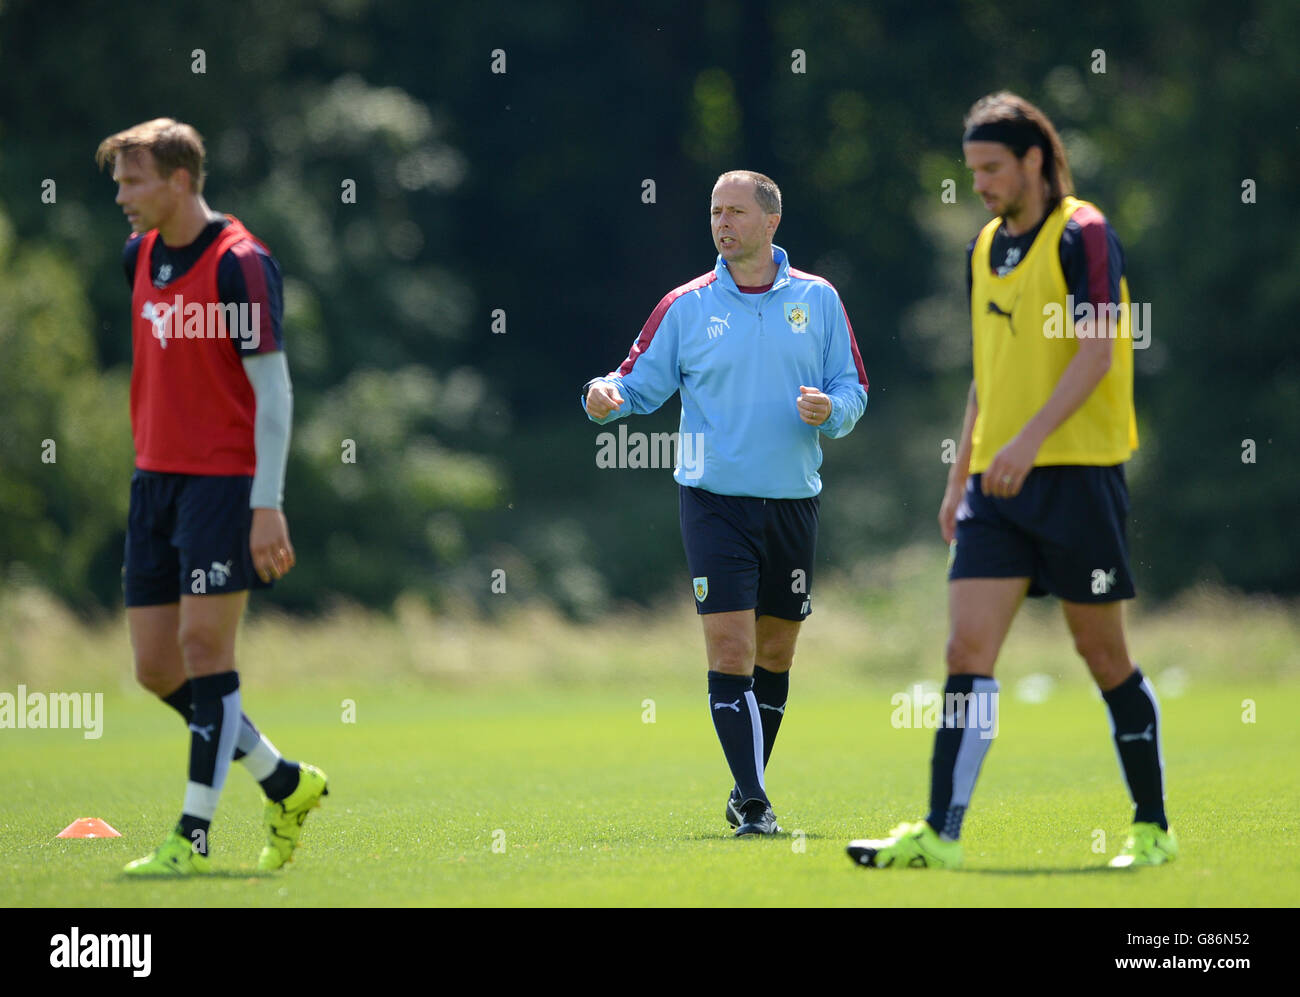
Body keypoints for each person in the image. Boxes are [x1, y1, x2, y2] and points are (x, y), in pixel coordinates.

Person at [847, 92, 1174, 869]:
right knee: (966, 649)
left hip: (1079, 478)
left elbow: (1097, 350)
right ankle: (939, 832)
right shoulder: (982, 248)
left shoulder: (1083, 233)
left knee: (1102, 655)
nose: (981, 184)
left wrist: (1029, 441)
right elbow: (985, 375)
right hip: (997, 486)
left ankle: (1152, 828)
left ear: (1035, 158)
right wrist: (959, 474)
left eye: (992, 168)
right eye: (973, 170)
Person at [583, 170, 869, 836]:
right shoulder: (685, 305)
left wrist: (832, 411)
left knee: (776, 655)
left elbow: (852, 391)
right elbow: (633, 382)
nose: (722, 223)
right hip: (713, 501)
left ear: (771, 221)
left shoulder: (820, 299)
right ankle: (756, 801)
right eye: (715, 211)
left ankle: (748, 789)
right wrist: (603, 397)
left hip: (795, 501)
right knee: (731, 650)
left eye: (736, 211)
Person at [95, 118, 327, 875]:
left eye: (134, 181)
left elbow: (274, 391)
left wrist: (268, 501)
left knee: (205, 649)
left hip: (224, 483)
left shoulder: (241, 265)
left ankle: (190, 837)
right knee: (157, 669)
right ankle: (283, 780)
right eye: (120, 182)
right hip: (152, 479)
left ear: (180, 181)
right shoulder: (138, 255)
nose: (123, 197)